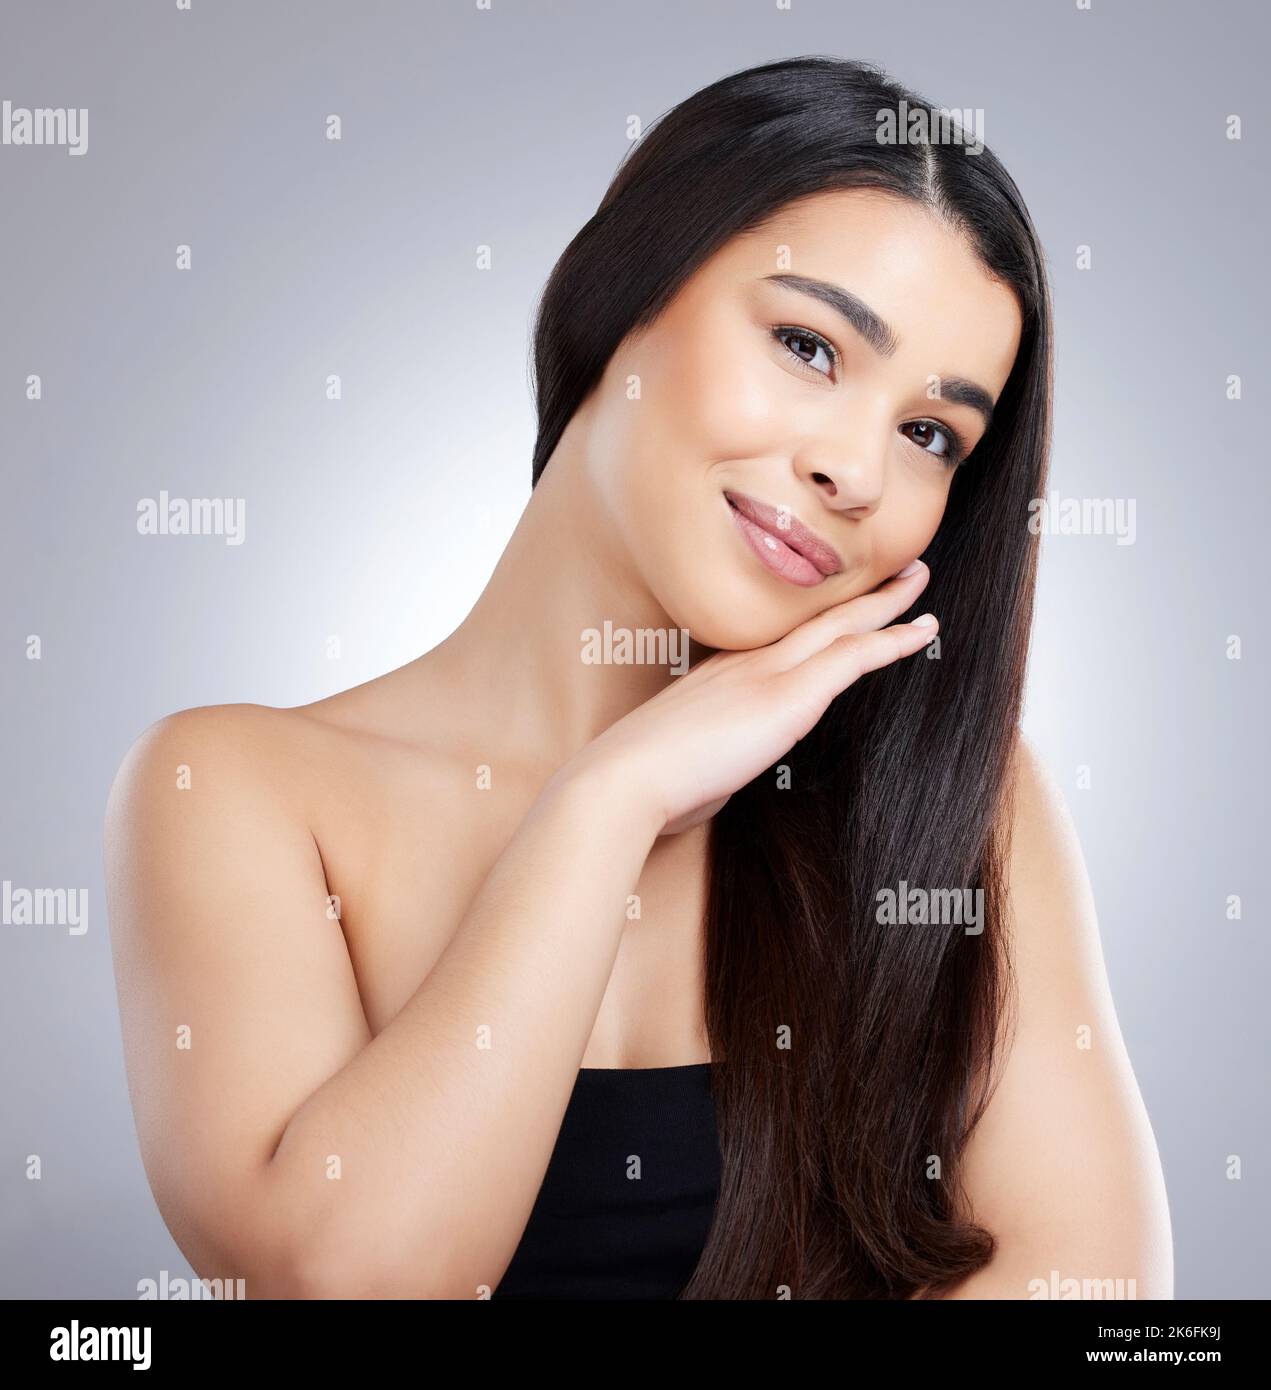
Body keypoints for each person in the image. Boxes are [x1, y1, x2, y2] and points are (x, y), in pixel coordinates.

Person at [103, 55, 1173, 1299]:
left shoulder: (960, 807)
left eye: (929, 432)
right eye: (809, 345)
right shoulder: (233, 789)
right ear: (624, 294)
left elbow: (1095, 1298)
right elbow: (353, 1282)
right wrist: (608, 801)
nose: (855, 472)